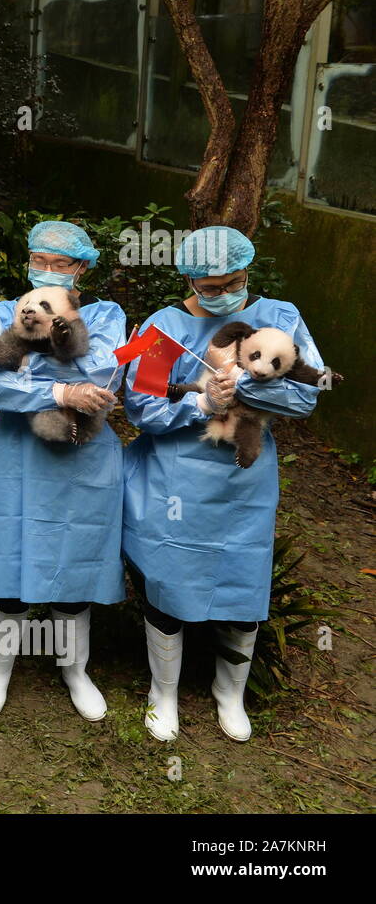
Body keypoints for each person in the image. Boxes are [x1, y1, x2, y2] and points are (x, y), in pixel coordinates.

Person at [123, 225, 326, 742]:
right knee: (167, 581)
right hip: (174, 476)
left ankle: (229, 694)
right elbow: (140, 405)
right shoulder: (163, 326)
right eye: (206, 287)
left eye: (229, 283)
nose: (219, 295)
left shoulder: (281, 316)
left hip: (244, 477)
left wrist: (254, 391)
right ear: (188, 277)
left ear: (247, 271)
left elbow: (309, 395)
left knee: (243, 582)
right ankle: (162, 692)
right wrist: (201, 403)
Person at [0, 221, 125, 721]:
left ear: (83, 268)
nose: (49, 270)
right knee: (9, 554)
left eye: (61, 264)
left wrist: (35, 375)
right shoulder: (2, 311)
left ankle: (75, 667)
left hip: (82, 455)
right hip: (16, 455)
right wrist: (58, 390)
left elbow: (102, 373)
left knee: (74, 553)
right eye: (41, 261)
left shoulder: (106, 315)